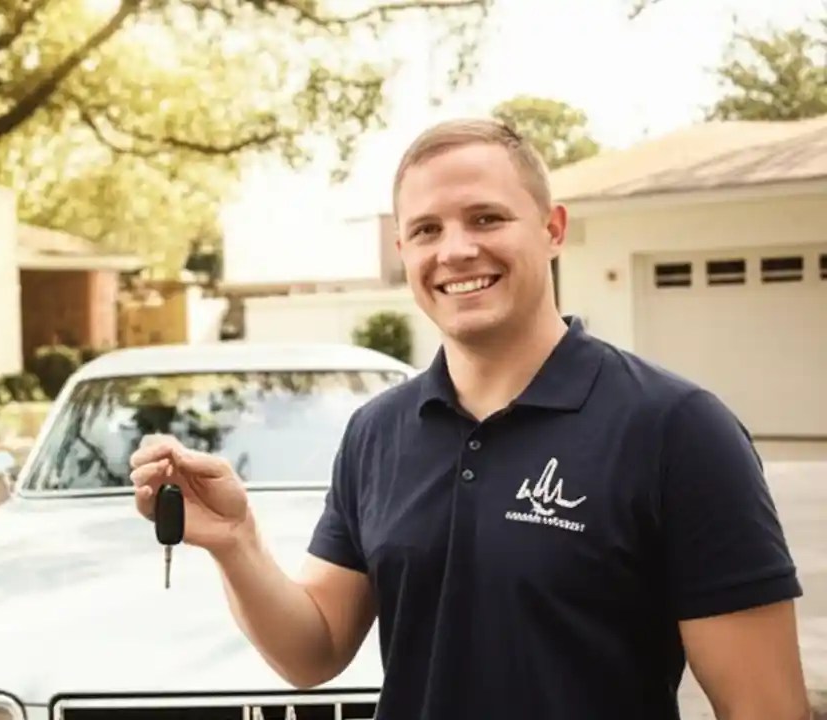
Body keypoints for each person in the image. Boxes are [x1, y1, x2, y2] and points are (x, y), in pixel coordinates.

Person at [130, 119, 811, 719]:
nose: (454, 250)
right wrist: (237, 542)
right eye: (426, 229)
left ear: (553, 230)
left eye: (485, 218)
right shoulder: (377, 433)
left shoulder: (677, 430)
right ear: (404, 251)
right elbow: (315, 651)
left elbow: (765, 707)